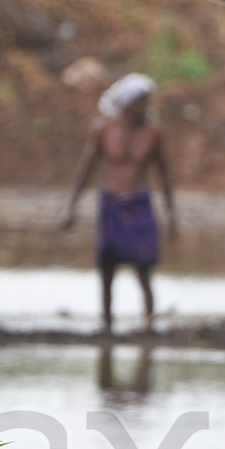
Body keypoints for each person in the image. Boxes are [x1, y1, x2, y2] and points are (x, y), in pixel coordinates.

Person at [60, 72, 177, 334]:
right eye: (142, 102)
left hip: (139, 204)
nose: (147, 107)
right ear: (127, 104)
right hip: (111, 203)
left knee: (144, 268)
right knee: (107, 267)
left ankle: (149, 324)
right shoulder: (103, 129)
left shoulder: (154, 132)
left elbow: (164, 174)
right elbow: (86, 168)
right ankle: (107, 324)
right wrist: (70, 207)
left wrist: (172, 216)